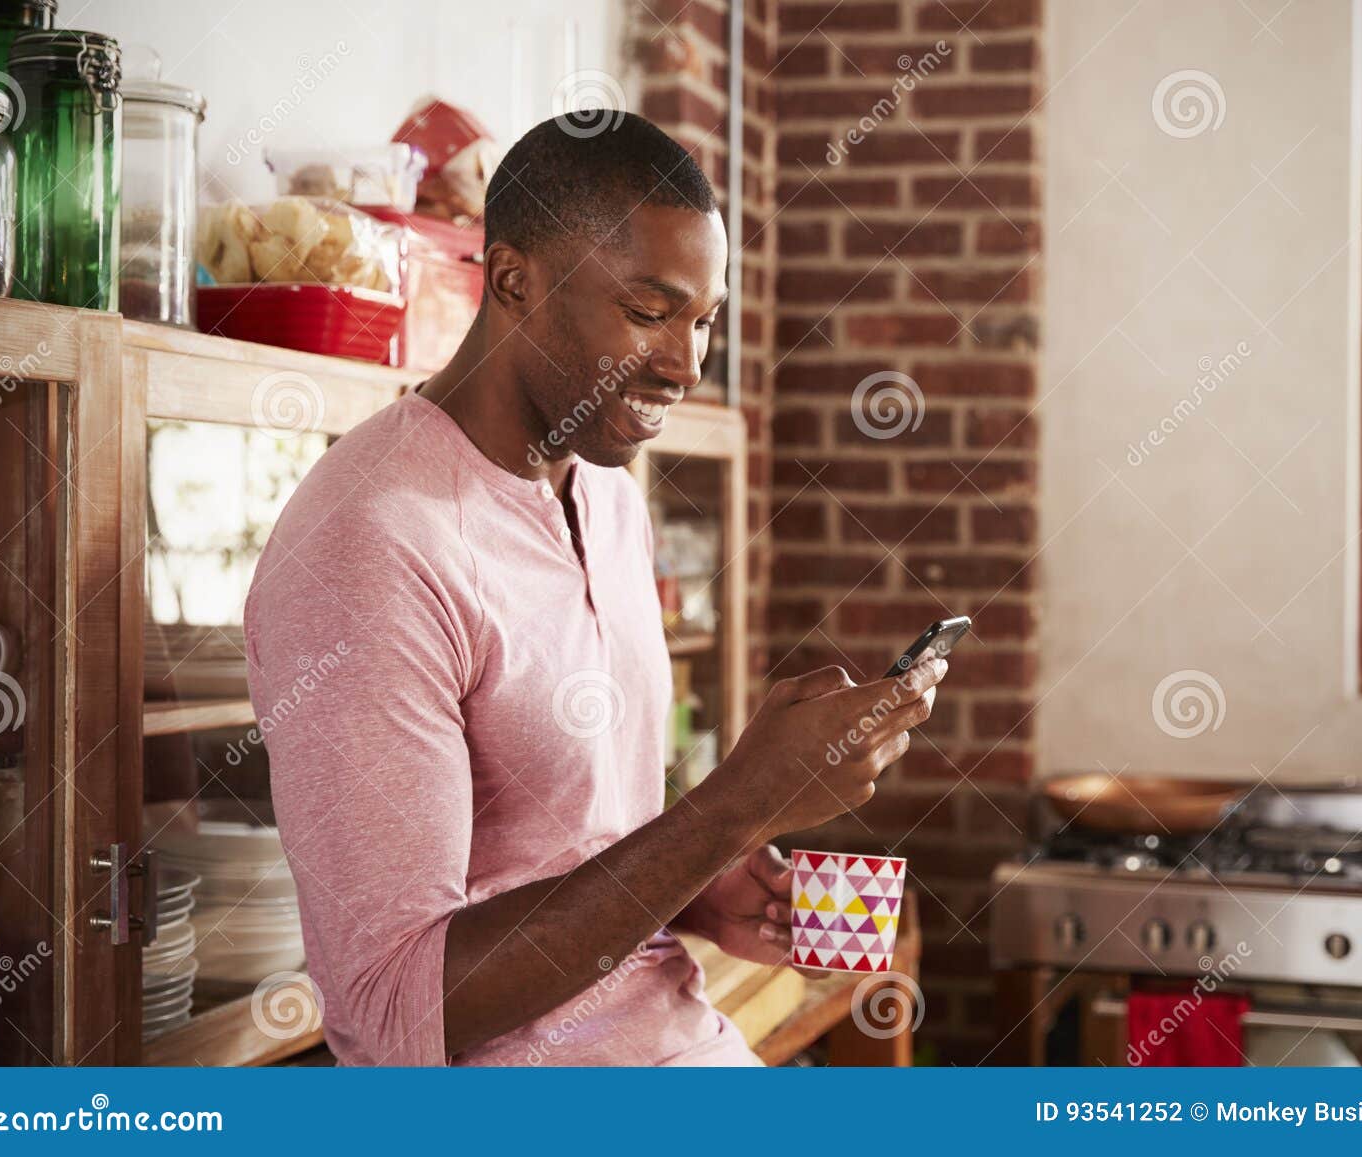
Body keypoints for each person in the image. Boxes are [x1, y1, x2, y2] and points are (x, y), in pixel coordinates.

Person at [243, 112, 948, 1066]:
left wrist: (703, 881)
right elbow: (393, 1006)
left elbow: (568, 846)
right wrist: (735, 805)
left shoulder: (608, 498)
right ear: (512, 282)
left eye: (705, 321)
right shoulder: (372, 540)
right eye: (650, 312)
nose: (686, 364)